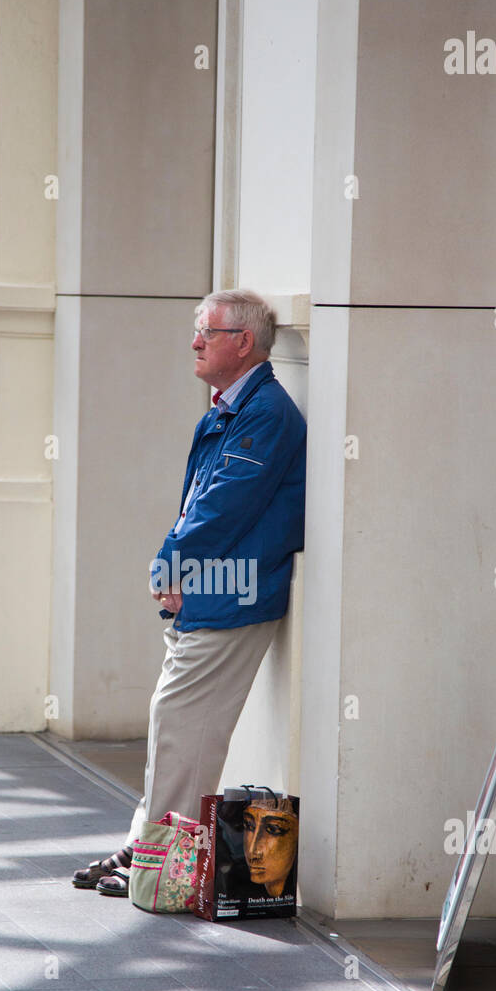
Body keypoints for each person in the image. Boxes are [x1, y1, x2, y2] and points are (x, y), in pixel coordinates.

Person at [73, 289, 306, 895]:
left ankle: (164, 876)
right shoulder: (233, 409)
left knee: (184, 733)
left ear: (243, 343)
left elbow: (222, 510)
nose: (195, 342)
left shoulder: (264, 413)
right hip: (214, 595)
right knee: (172, 727)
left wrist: (169, 568)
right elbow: (204, 506)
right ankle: (144, 851)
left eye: (208, 331)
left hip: (233, 600)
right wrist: (181, 576)